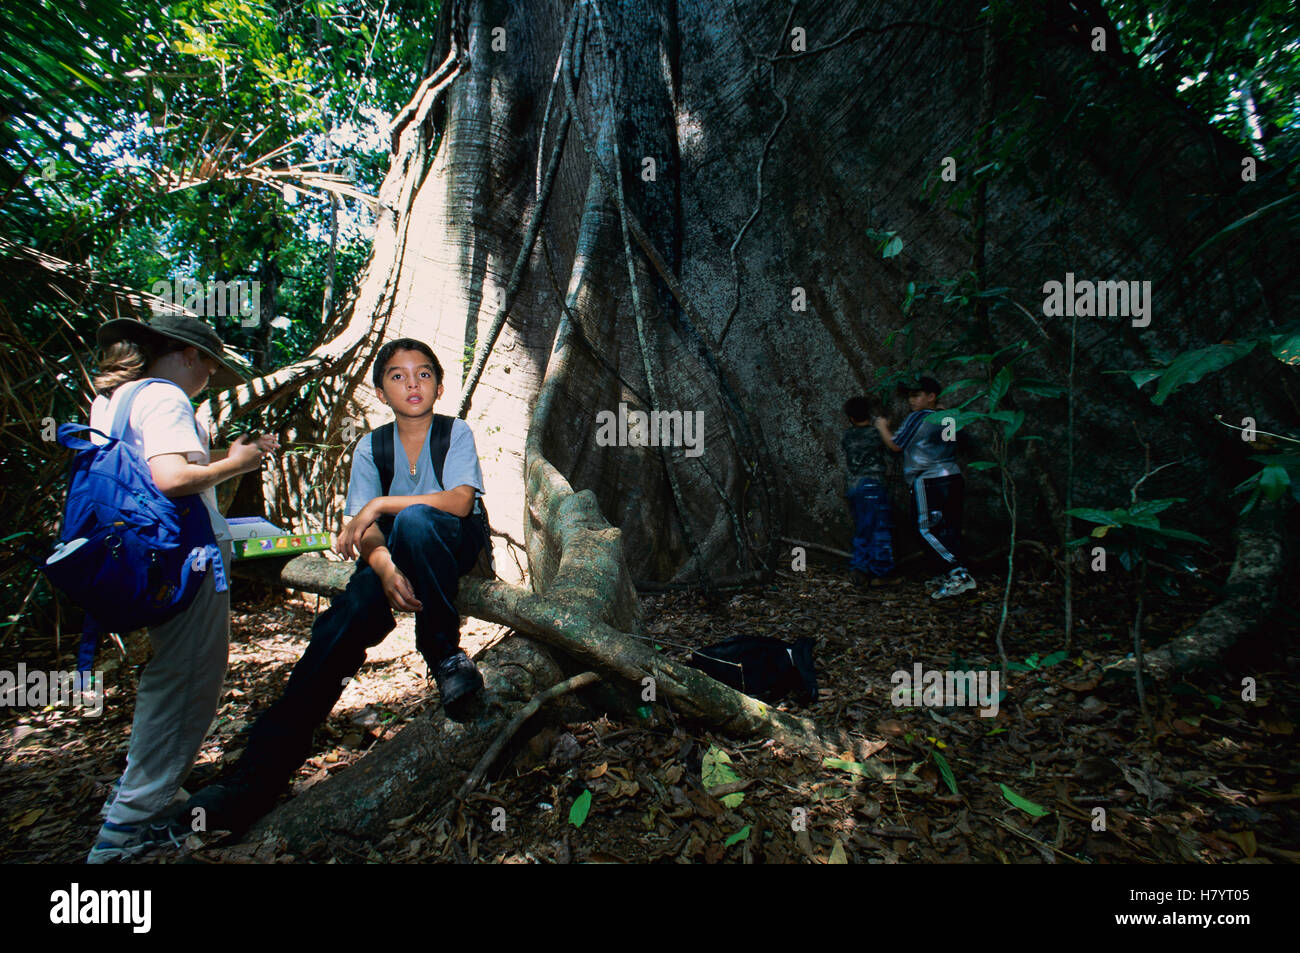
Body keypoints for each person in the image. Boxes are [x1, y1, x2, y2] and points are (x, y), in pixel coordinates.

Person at [184, 337, 488, 834]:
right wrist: (386, 569)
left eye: (424, 373)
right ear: (380, 389)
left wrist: (379, 507)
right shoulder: (372, 446)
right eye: (397, 375)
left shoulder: (456, 434)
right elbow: (363, 534)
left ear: (438, 383)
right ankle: (255, 778)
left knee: (413, 520)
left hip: (450, 542)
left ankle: (444, 653)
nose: (412, 383)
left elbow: (457, 503)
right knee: (342, 624)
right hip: (395, 553)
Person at [86, 314, 275, 863]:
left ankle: (146, 799)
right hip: (186, 561)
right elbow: (170, 479)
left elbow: (152, 471)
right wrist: (236, 463)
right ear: (187, 355)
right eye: (209, 364)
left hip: (140, 558)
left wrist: (228, 457)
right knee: (188, 684)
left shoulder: (117, 399)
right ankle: (127, 834)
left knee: (168, 679)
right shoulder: (166, 396)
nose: (211, 376)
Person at [874, 375, 976, 600]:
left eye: (917, 395)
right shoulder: (948, 417)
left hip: (928, 478)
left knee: (924, 528)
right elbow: (957, 441)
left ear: (931, 397)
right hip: (952, 476)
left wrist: (881, 427)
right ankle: (948, 574)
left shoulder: (918, 417)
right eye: (910, 395)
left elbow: (895, 446)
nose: (912, 400)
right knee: (947, 527)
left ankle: (958, 572)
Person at [841, 396, 897, 585]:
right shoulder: (875, 434)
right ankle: (880, 573)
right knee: (879, 528)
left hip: (854, 487)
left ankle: (860, 569)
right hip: (872, 484)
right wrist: (884, 427)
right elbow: (894, 448)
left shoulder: (847, 436)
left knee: (863, 529)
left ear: (850, 418)